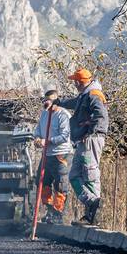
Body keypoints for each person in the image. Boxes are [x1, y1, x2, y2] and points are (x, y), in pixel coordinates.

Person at [59, 68, 109, 225]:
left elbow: (101, 116)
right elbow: (73, 103)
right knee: (74, 175)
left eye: (75, 81)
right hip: (83, 140)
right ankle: (91, 203)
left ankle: (94, 215)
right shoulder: (84, 96)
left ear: (79, 82)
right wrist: (59, 103)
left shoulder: (94, 94)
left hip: (91, 140)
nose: (74, 84)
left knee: (90, 172)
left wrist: (91, 132)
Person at [32, 89, 74, 224]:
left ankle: (58, 213)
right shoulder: (44, 114)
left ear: (55, 100)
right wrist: (38, 138)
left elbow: (64, 136)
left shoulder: (63, 115)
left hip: (61, 154)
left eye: (49, 100)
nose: (46, 102)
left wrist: (48, 141)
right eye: (45, 100)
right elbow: (38, 130)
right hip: (47, 154)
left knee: (60, 184)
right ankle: (49, 210)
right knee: (42, 181)